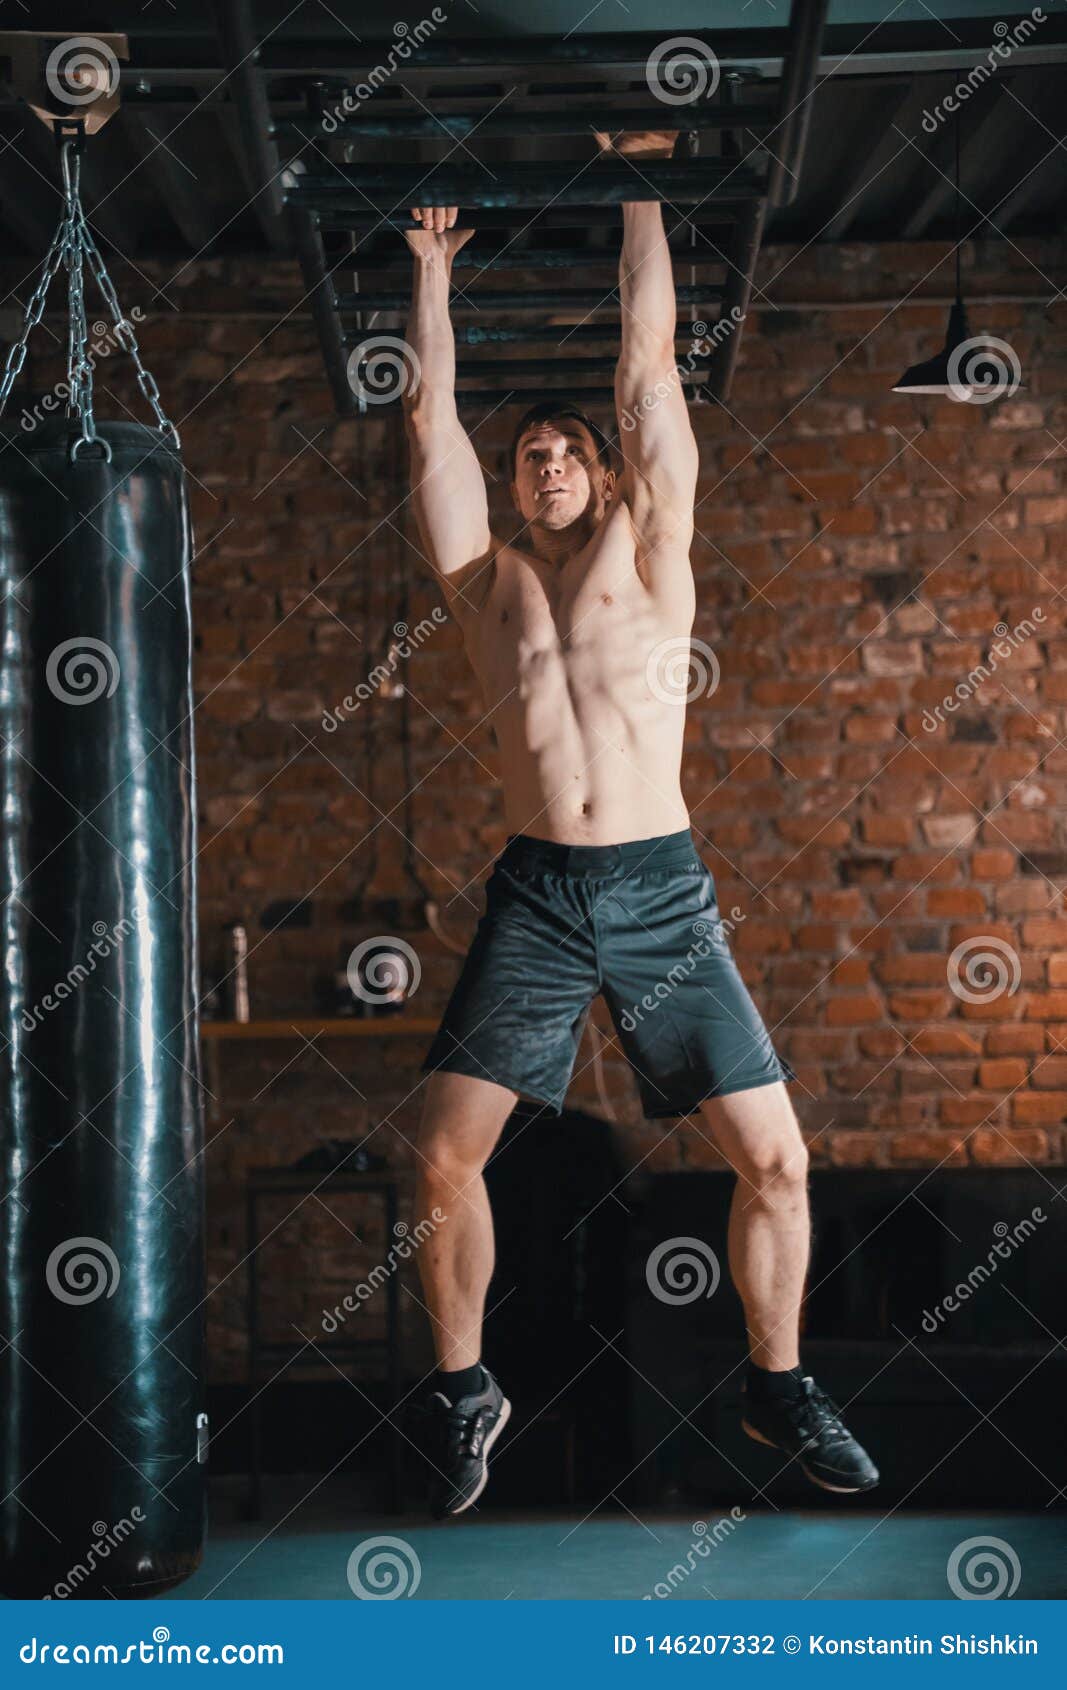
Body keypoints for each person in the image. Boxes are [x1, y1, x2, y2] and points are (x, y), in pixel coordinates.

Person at [400, 130, 878, 1518]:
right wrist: (430, 276)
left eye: (564, 449)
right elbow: (429, 425)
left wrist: (641, 191)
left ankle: (777, 1383)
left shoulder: (652, 551)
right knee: (438, 1150)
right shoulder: (486, 590)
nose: (543, 461)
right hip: (542, 892)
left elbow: (647, 367)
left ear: (606, 474)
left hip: (662, 890)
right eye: (528, 453)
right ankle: (462, 1387)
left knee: (778, 1160)